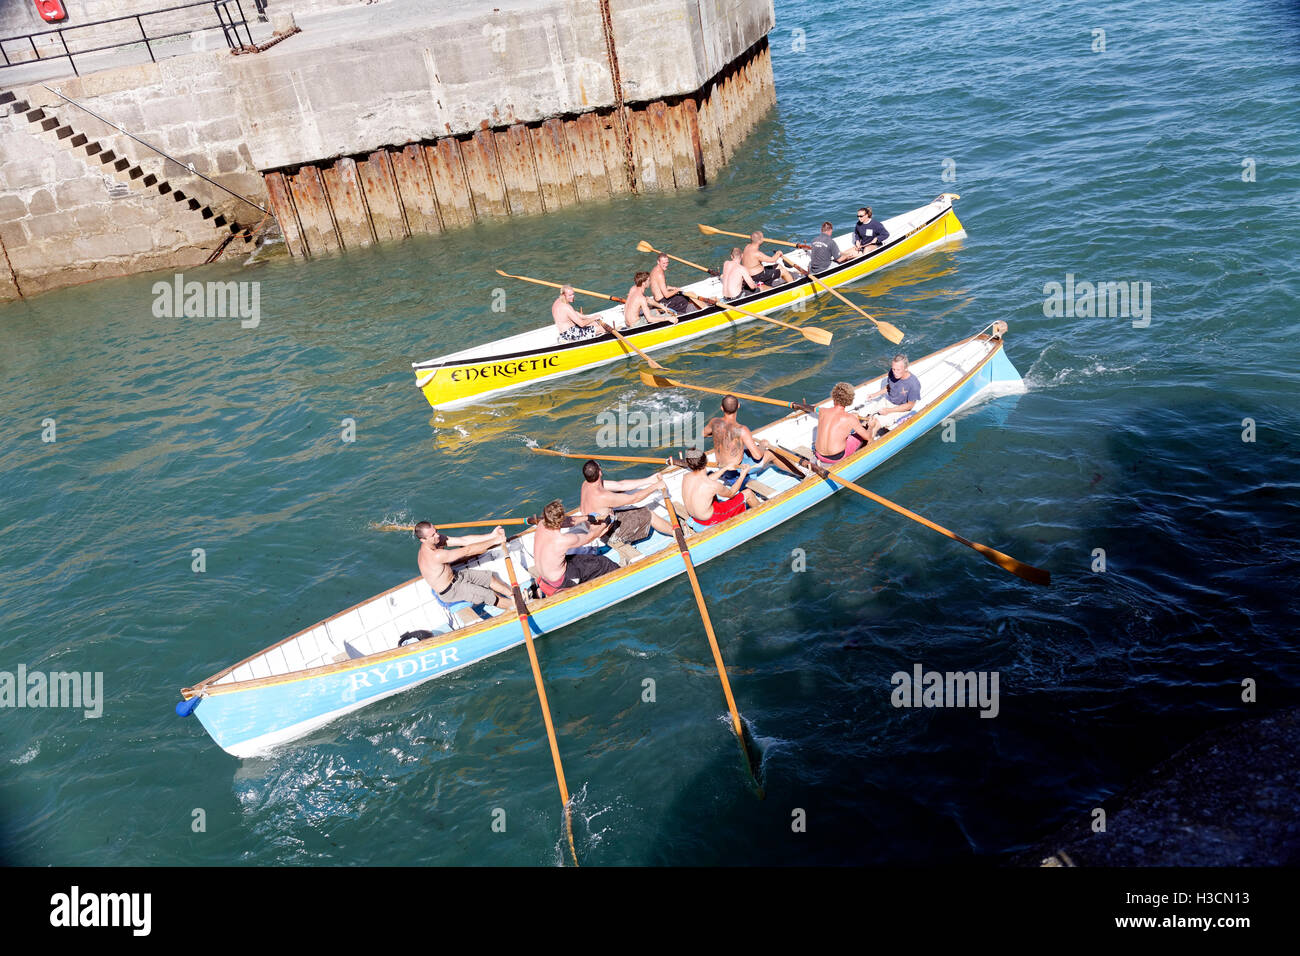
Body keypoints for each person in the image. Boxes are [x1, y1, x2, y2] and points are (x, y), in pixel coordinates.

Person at [415, 521, 513, 610]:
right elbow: (467, 550)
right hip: (451, 590)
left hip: (456, 576)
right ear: (423, 540)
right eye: (432, 535)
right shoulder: (435, 555)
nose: (437, 535)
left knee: (489, 577)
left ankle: (514, 596)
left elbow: (464, 541)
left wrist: (492, 536)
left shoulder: (436, 540)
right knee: (489, 595)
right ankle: (519, 607)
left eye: (436, 531)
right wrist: (494, 541)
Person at [531, 499, 620, 597]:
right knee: (603, 562)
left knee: (583, 559)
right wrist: (606, 523)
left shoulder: (541, 524)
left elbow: (568, 521)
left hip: (546, 575)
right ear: (559, 520)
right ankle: (621, 579)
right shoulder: (562, 540)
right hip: (561, 581)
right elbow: (591, 536)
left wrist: (588, 518)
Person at [702, 395, 798, 482]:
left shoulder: (714, 422)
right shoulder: (742, 430)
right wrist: (762, 446)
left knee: (747, 450)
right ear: (738, 406)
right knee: (771, 454)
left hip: (721, 468)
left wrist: (719, 434)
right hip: (736, 471)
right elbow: (757, 456)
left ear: (722, 408)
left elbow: (703, 434)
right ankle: (802, 475)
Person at [578, 460, 673, 546]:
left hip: (597, 526)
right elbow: (634, 498)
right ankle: (677, 533)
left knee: (624, 500)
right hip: (609, 534)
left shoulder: (586, 484)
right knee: (649, 514)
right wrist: (655, 486)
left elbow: (620, 485)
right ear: (600, 472)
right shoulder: (603, 496)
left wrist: (650, 480)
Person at [681, 446, 758, 526]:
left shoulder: (686, 477)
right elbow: (731, 493)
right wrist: (743, 474)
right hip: (711, 519)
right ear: (706, 460)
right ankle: (763, 514)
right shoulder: (712, 485)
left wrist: (725, 468)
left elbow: (706, 480)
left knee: (711, 496)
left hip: (695, 517)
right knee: (748, 493)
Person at [863, 354, 921, 442]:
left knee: (875, 425)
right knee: (867, 421)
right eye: (893, 369)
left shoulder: (914, 384)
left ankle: (865, 450)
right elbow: (890, 386)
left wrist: (889, 411)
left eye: (898, 370)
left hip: (899, 409)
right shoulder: (892, 373)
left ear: (906, 368)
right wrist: (875, 394)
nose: (895, 372)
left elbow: (910, 405)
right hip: (887, 400)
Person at [813, 382, 873, 463]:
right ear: (849, 400)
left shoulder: (822, 411)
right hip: (835, 458)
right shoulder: (850, 418)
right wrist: (871, 427)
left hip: (818, 454)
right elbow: (868, 437)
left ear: (833, 396)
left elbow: (817, 409)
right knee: (865, 436)